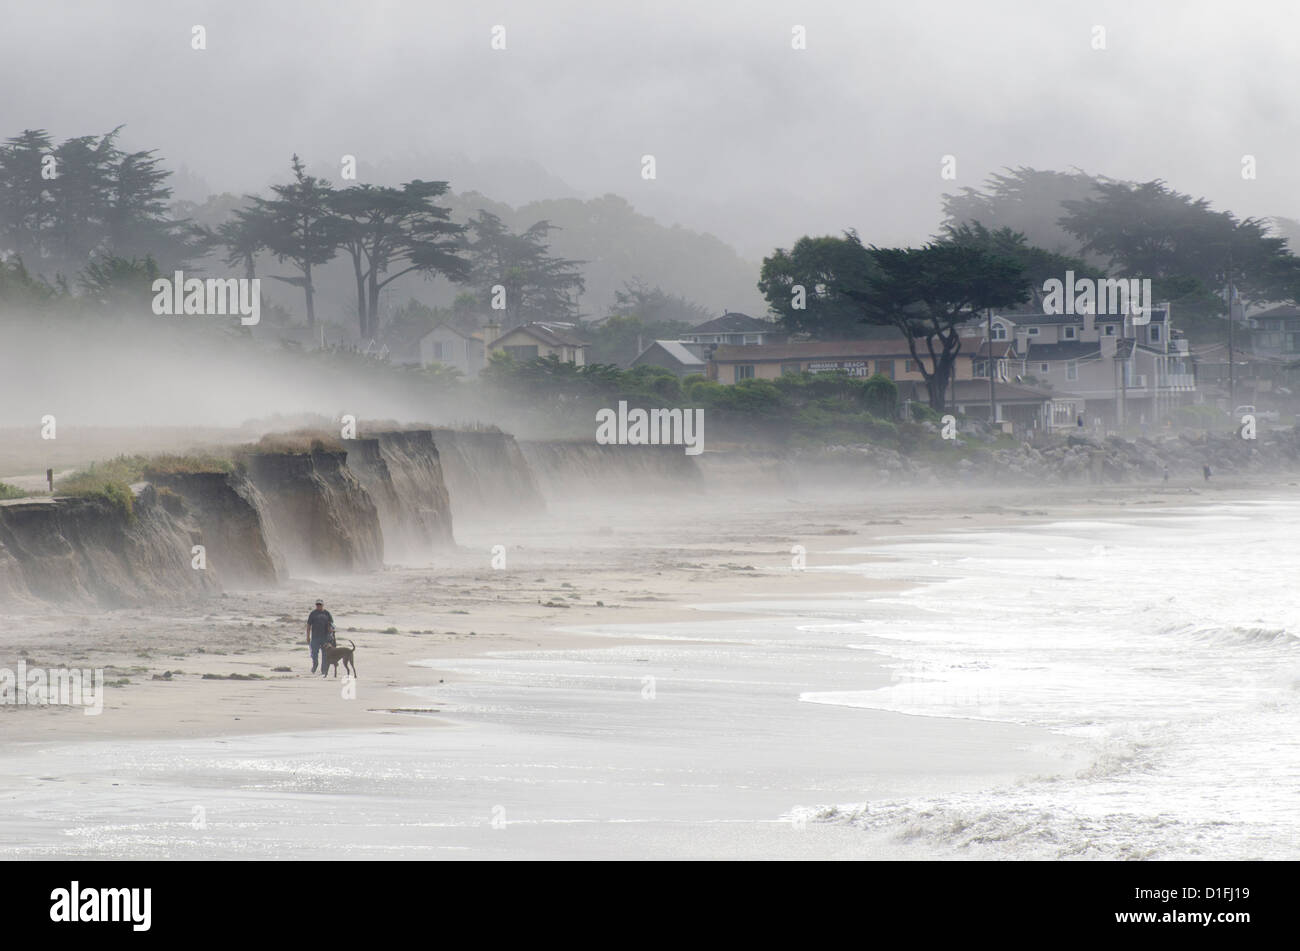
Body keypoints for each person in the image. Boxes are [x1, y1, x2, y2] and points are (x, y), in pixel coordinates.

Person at [306, 600, 336, 674]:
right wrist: (308, 636)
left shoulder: (327, 613)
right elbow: (308, 625)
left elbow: (332, 624)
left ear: (323, 605)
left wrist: (331, 629)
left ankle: (324, 670)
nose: (318, 606)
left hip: (325, 637)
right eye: (317, 605)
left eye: (320, 604)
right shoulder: (313, 613)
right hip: (315, 637)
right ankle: (315, 665)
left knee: (325, 654)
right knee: (314, 654)